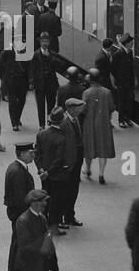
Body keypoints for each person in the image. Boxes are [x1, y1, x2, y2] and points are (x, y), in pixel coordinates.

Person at [35, 108, 72, 234]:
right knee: (56, 202)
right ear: (61, 122)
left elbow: (37, 154)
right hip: (57, 176)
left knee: (45, 200)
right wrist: (49, 172)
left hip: (44, 175)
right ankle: (53, 228)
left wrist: (41, 169)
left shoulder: (41, 134)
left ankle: (42, 226)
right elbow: (59, 159)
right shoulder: (61, 138)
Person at [4, 143, 37, 271]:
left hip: (17, 213)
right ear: (22, 154)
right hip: (19, 214)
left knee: (18, 243)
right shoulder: (18, 172)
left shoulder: (16, 168)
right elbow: (20, 199)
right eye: (31, 153)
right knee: (18, 244)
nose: (33, 155)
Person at [81, 69, 116, 183]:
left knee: (89, 149)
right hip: (104, 125)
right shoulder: (107, 92)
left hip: (89, 125)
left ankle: (88, 169)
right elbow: (112, 107)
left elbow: (83, 109)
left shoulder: (86, 93)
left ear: (90, 80)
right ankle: (101, 174)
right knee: (103, 149)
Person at [60, 96, 86, 227]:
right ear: (71, 109)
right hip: (69, 163)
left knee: (73, 190)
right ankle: (65, 215)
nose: (81, 109)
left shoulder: (75, 119)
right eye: (79, 107)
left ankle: (70, 215)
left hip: (76, 162)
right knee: (67, 191)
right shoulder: (64, 122)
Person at [29, 33, 59, 129]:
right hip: (40, 84)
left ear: (49, 43)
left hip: (51, 84)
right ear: (40, 42)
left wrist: (49, 56)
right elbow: (32, 69)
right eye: (43, 41)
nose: (45, 43)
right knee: (40, 105)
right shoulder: (35, 54)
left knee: (51, 104)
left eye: (46, 41)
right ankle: (41, 125)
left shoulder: (53, 54)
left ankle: (50, 122)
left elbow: (59, 65)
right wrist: (31, 82)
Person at [0, 43, 29, 132]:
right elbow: (0, 64)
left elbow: (29, 65)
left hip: (23, 80)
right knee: (12, 101)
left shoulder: (25, 50)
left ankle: (17, 117)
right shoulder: (6, 52)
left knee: (22, 100)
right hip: (11, 80)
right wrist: (4, 79)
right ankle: (14, 123)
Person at [112, 34, 137, 127]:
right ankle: (121, 120)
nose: (132, 44)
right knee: (121, 102)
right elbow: (113, 69)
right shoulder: (118, 54)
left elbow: (131, 68)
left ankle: (128, 118)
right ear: (126, 44)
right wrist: (118, 80)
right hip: (121, 83)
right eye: (131, 43)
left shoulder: (130, 52)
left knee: (129, 101)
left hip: (129, 82)